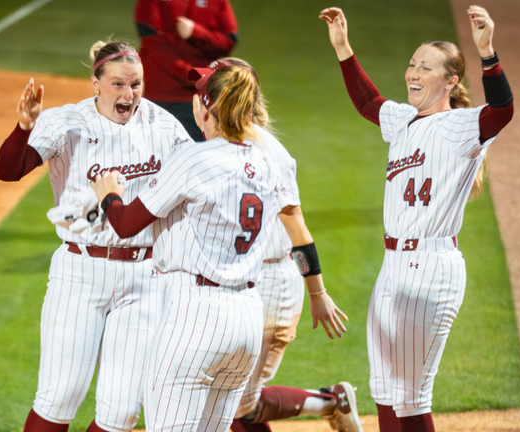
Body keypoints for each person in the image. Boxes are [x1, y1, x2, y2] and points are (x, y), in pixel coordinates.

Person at [90, 61, 348, 432]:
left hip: (196, 317)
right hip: (247, 316)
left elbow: (127, 225)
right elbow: (298, 228)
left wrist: (110, 196)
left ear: (204, 107)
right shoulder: (270, 159)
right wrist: (317, 290)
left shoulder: (195, 158)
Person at [319, 5, 513, 432]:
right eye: (411, 64)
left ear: (450, 81)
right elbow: (369, 101)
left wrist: (487, 53)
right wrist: (343, 47)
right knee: (386, 389)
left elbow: (502, 111)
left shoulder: (462, 126)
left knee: (411, 394)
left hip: (432, 268)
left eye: (425, 67)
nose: (413, 73)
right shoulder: (404, 120)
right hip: (393, 267)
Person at [0, 39, 193, 432]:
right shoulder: (65, 122)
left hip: (144, 277)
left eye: (135, 84)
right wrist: (24, 127)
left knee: (121, 412)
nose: (129, 94)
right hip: (79, 273)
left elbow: (191, 189)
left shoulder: (164, 126)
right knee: (59, 396)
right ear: (96, 84)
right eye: (118, 84)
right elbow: (8, 171)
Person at [213, 58, 361, 432]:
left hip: (271, 283)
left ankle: (332, 402)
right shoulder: (218, 147)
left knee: (238, 405)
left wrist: (318, 292)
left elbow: (297, 229)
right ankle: (333, 401)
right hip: (241, 282)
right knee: (229, 398)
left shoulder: (267, 152)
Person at [135, 0, 238, 140]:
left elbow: (228, 42)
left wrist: (196, 32)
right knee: (152, 158)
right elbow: (153, 43)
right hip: (157, 97)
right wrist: (193, 75)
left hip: (199, 99)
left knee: (198, 157)